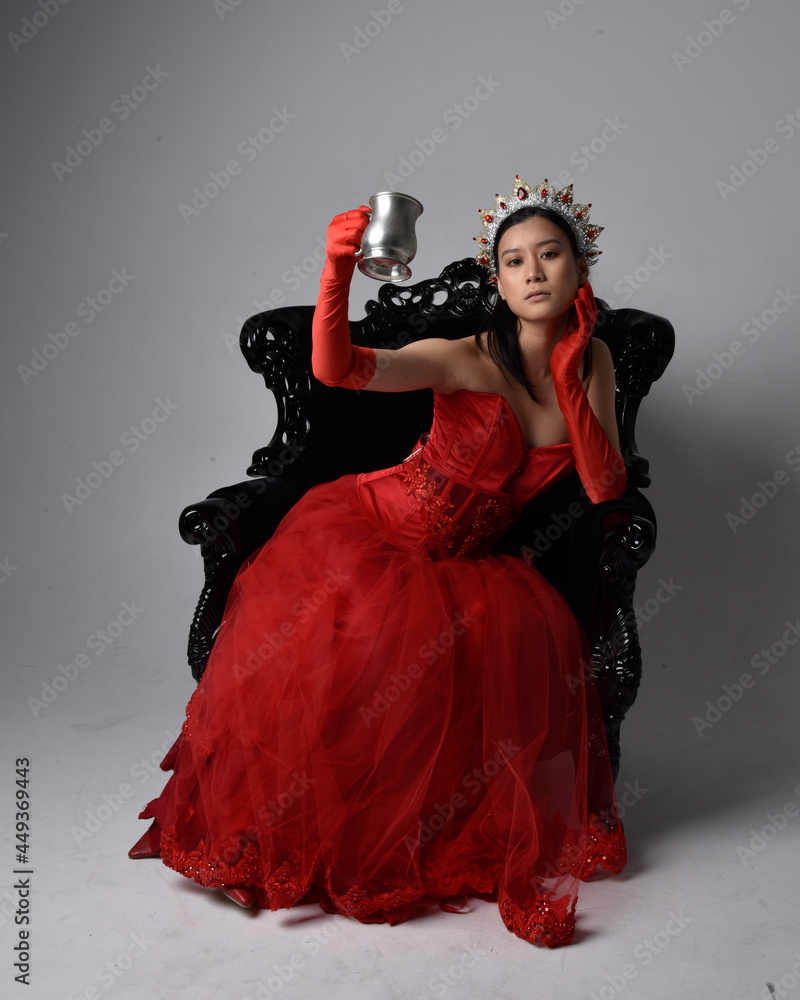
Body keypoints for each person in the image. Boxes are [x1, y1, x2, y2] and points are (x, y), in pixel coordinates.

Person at [129, 176, 628, 948]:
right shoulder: (464, 357)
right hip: (373, 533)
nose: (533, 272)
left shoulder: (591, 358)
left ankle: (408, 834)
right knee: (347, 653)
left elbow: (602, 483)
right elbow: (339, 370)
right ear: (496, 280)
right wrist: (335, 271)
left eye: (550, 255)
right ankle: (262, 839)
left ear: (579, 267)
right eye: (515, 260)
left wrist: (570, 381)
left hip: (478, 564)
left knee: (505, 654)